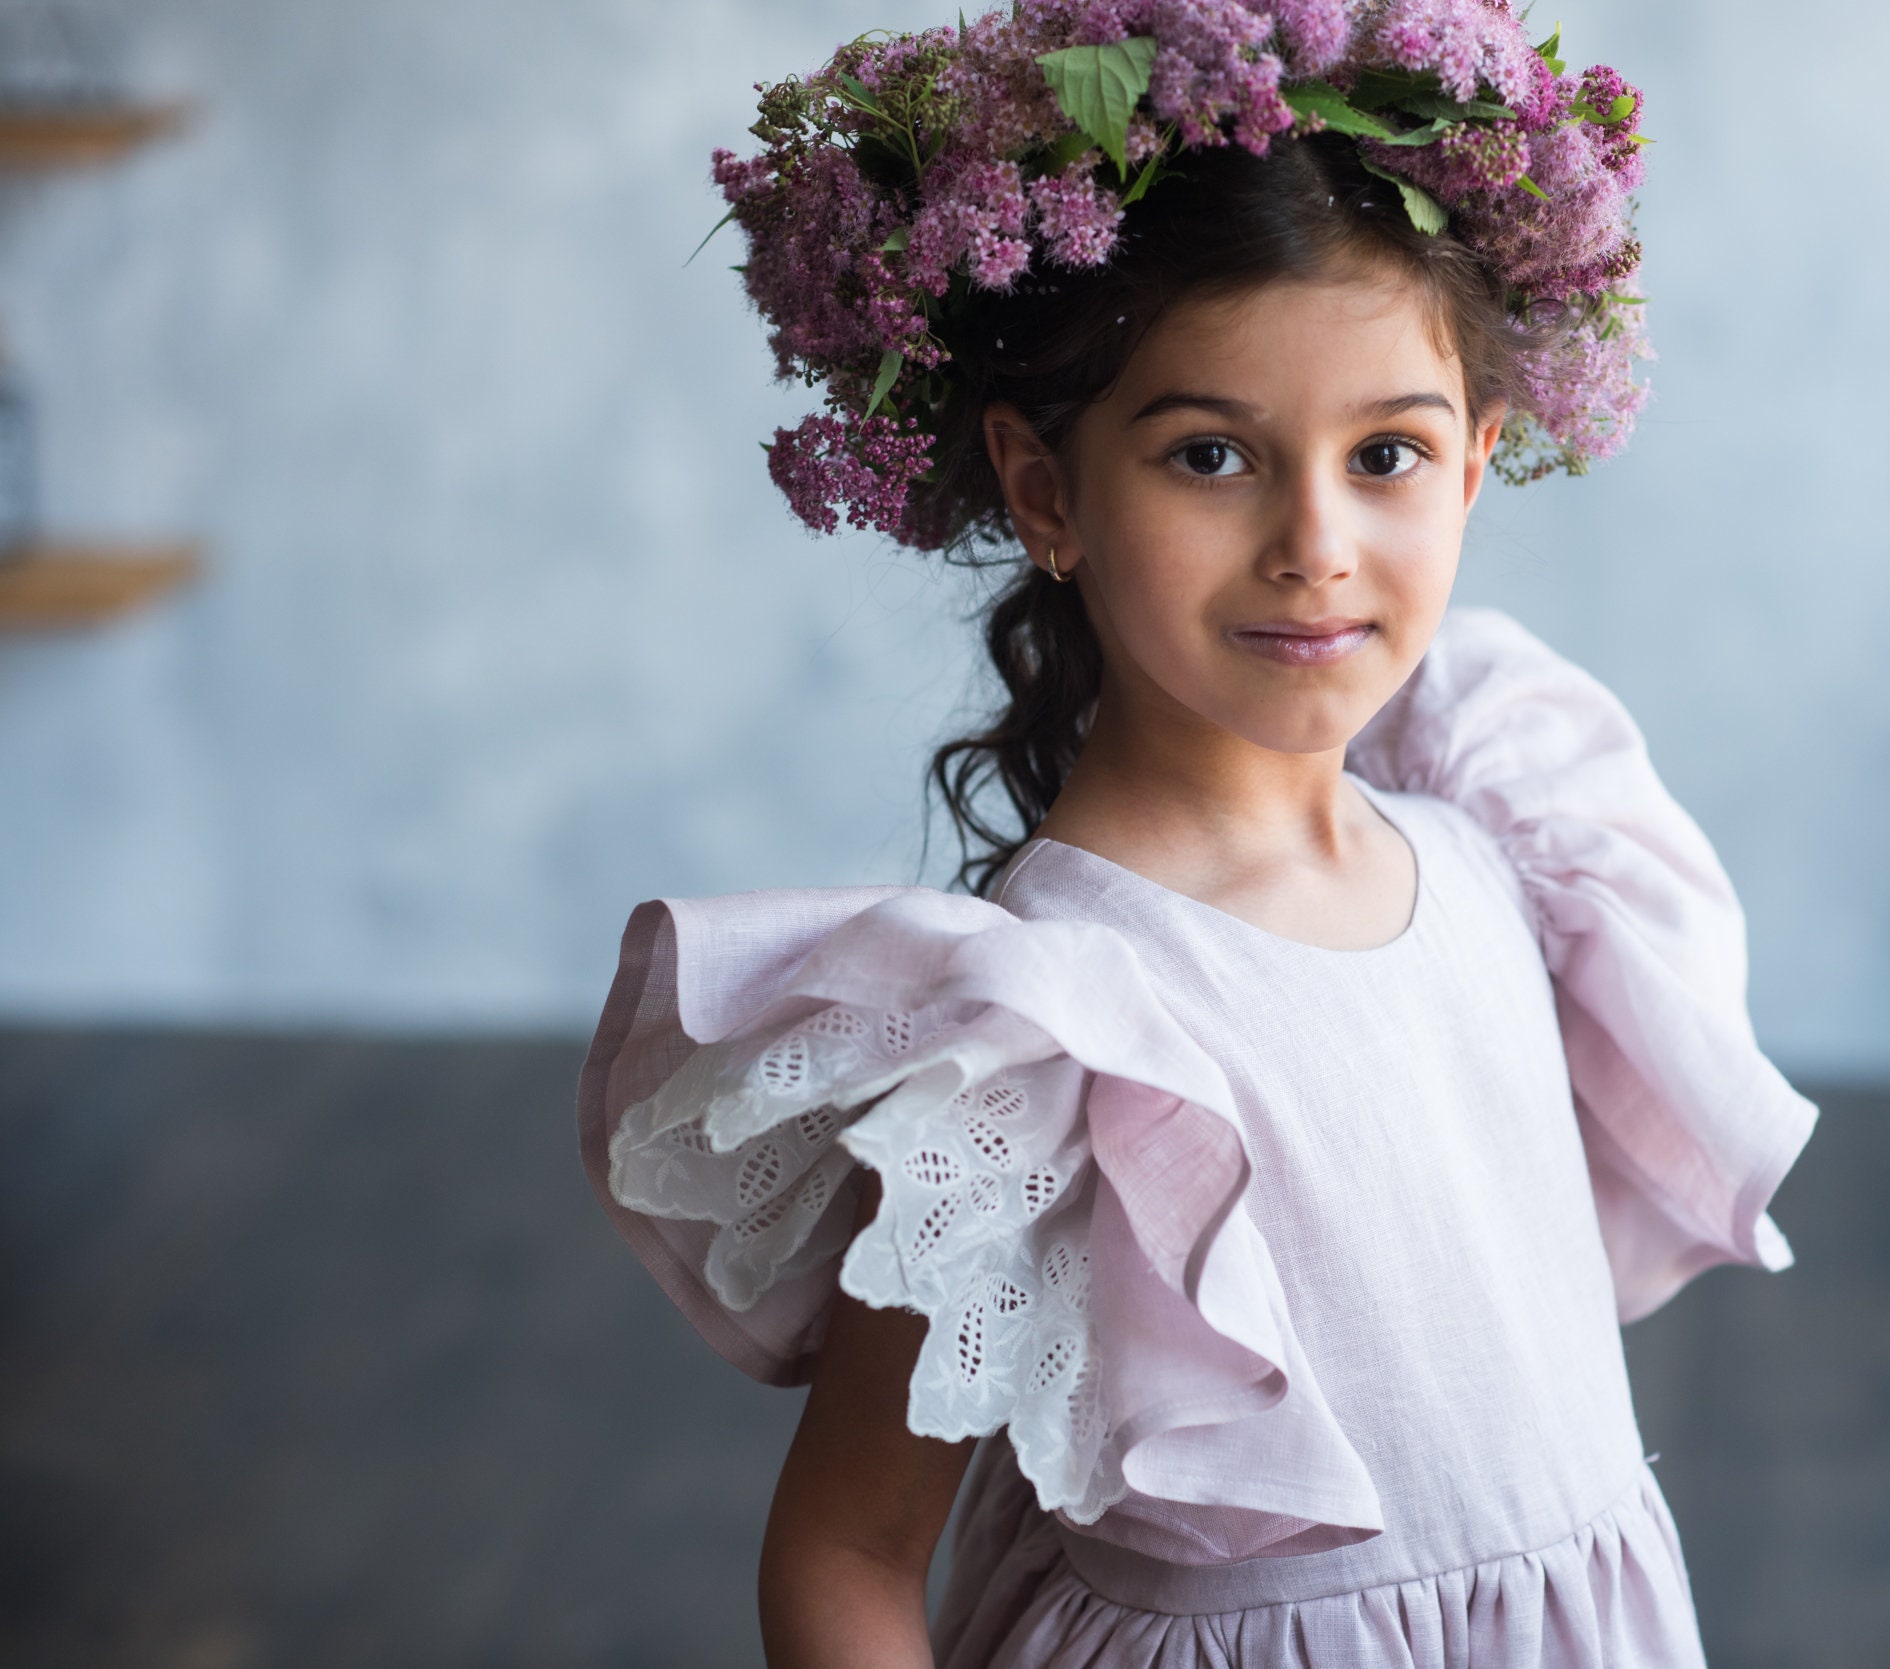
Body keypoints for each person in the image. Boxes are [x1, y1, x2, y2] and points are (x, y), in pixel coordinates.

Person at [576, 4, 1817, 1663]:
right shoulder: (1040, 1034)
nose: (1316, 541)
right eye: (1211, 454)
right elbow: (850, 1550)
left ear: (1475, 466)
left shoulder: (1508, 849)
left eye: (1386, 453)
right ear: (1046, 491)